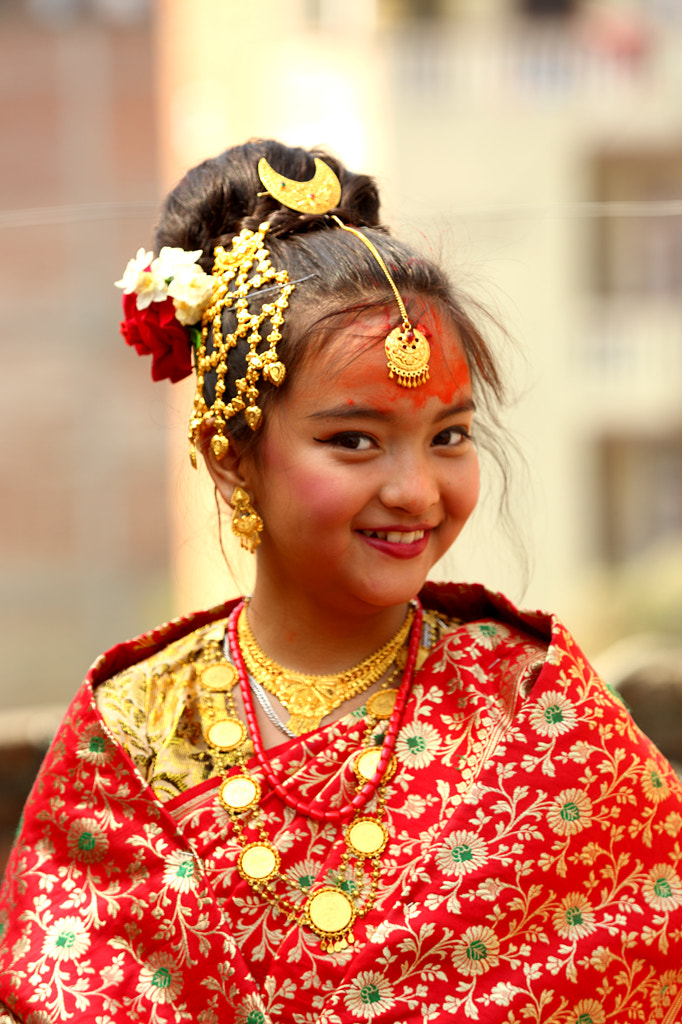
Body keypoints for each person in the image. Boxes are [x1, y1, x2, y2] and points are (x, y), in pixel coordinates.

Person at [1, 140, 681, 1024]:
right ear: (232, 456)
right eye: (354, 441)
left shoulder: (538, 704)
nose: (415, 490)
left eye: (448, 436)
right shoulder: (132, 733)